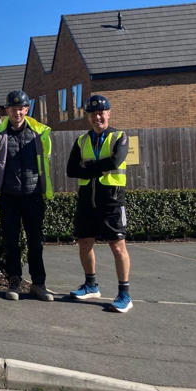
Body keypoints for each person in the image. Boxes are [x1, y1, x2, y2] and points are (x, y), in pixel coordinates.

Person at [0, 90, 54, 301]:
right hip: (9, 197)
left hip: (33, 195)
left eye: (21, 108)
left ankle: (38, 284)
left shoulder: (39, 133)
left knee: (35, 242)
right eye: (13, 109)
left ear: (26, 109)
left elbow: (46, 160)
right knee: (11, 241)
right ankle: (14, 281)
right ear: (7, 110)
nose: (17, 112)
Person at [66, 94, 132, 313]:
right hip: (87, 200)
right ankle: (91, 285)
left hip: (112, 200)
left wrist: (89, 167)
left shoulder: (120, 136)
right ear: (88, 117)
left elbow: (115, 161)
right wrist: (99, 167)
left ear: (109, 113)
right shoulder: (81, 140)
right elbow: (70, 170)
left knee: (117, 246)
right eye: (93, 114)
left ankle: (124, 294)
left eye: (101, 113)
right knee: (84, 243)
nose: (97, 117)